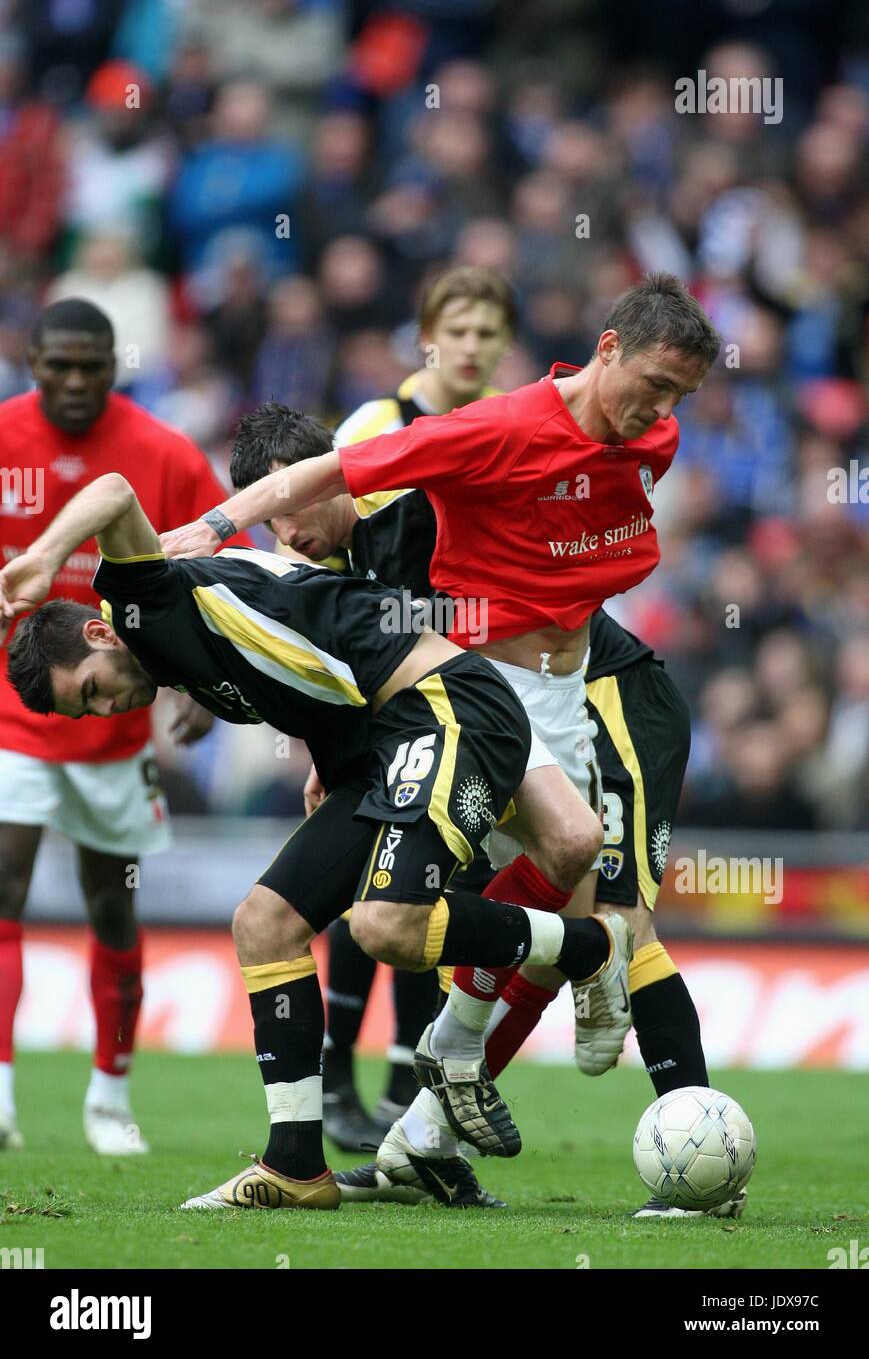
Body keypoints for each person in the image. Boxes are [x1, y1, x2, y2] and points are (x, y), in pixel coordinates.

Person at [159, 271, 723, 1210]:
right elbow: (376, 646)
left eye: (677, 396)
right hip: (486, 696)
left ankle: (661, 1143)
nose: (665, 413)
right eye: (658, 390)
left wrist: (210, 527)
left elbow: (372, 531)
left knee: (612, 910)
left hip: (608, 693)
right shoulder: (353, 539)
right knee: (514, 896)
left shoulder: (426, 494)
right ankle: (419, 1123)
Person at [1, 471, 624, 1209]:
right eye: (90, 714)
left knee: (385, 927)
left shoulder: (140, 603)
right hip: (375, 747)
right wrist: (329, 766)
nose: (108, 708)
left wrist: (42, 557)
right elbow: (307, 654)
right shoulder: (175, 656)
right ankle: (296, 1165)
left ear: (101, 635)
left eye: (92, 689)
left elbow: (111, 492)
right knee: (263, 924)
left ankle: (590, 948)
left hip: (443, 708)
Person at [0, 299, 239, 1155]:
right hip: (14, 717)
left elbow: (224, 558)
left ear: (114, 365)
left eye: (89, 365)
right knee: (5, 884)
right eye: (56, 364)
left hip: (114, 723)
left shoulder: (162, 451)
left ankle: (109, 1095)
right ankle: (1, 1098)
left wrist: (203, 683)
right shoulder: (2, 437)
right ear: (32, 361)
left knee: (112, 906)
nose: (72, 380)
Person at [319, 265, 515, 1149]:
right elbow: (321, 548)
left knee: (435, 875)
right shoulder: (374, 427)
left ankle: (404, 1076)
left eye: (487, 332)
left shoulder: (508, 424)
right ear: (427, 334)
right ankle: (333, 1079)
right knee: (374, 871)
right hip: (375, 680)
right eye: (458, 330)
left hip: (464, 680)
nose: (472, 347)